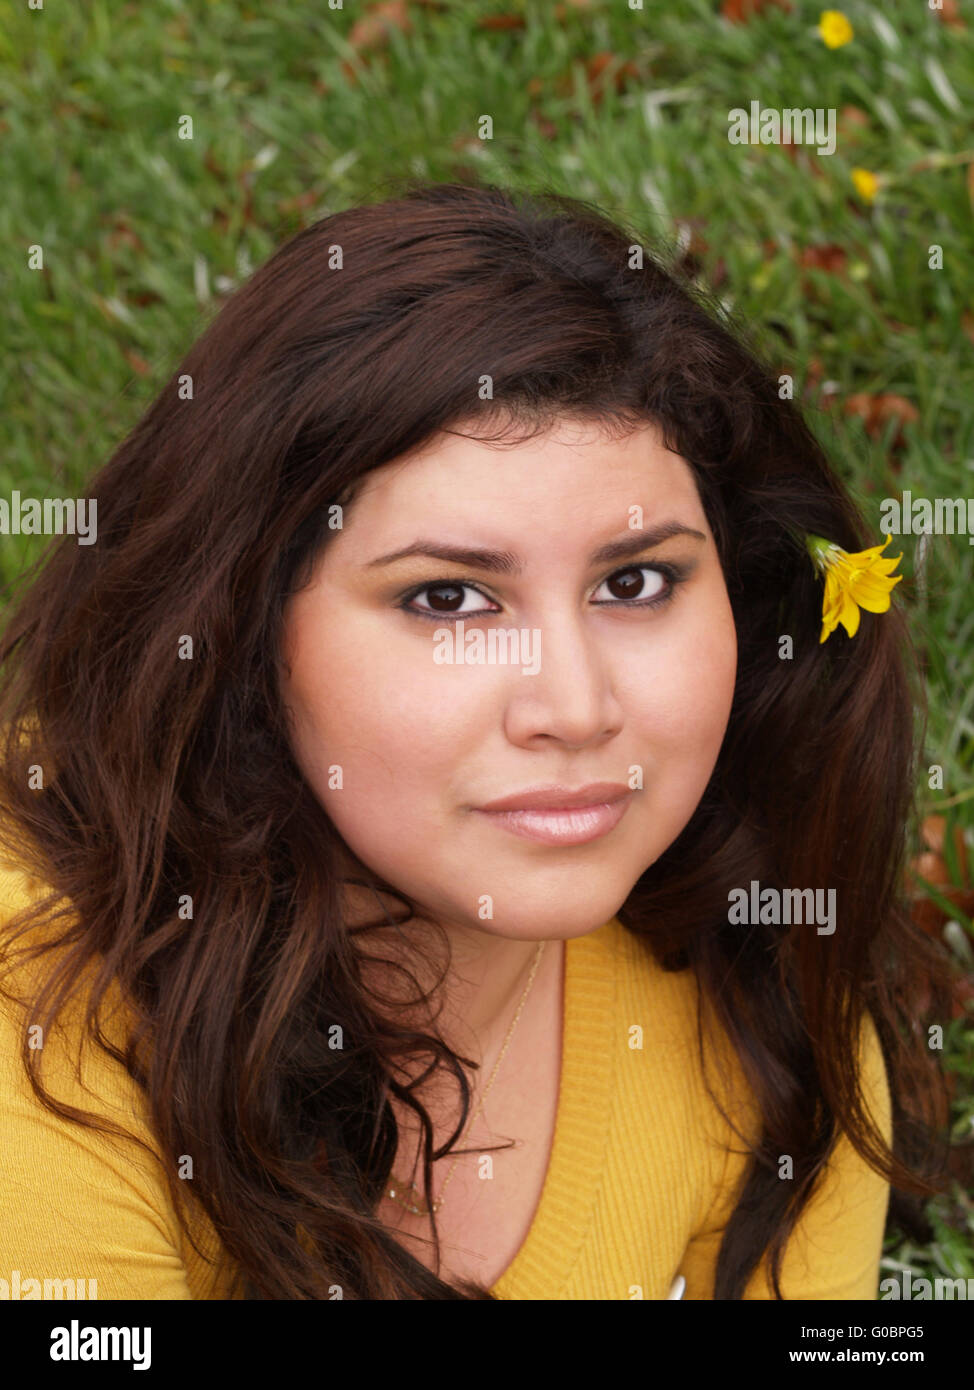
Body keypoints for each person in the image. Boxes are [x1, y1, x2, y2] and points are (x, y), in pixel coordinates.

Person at [0, 181, 952, 1300]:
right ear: (245, 633)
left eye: (636, 581)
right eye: (448, 600)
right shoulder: (40, 1013)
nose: (575, 706)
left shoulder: (759, 994)